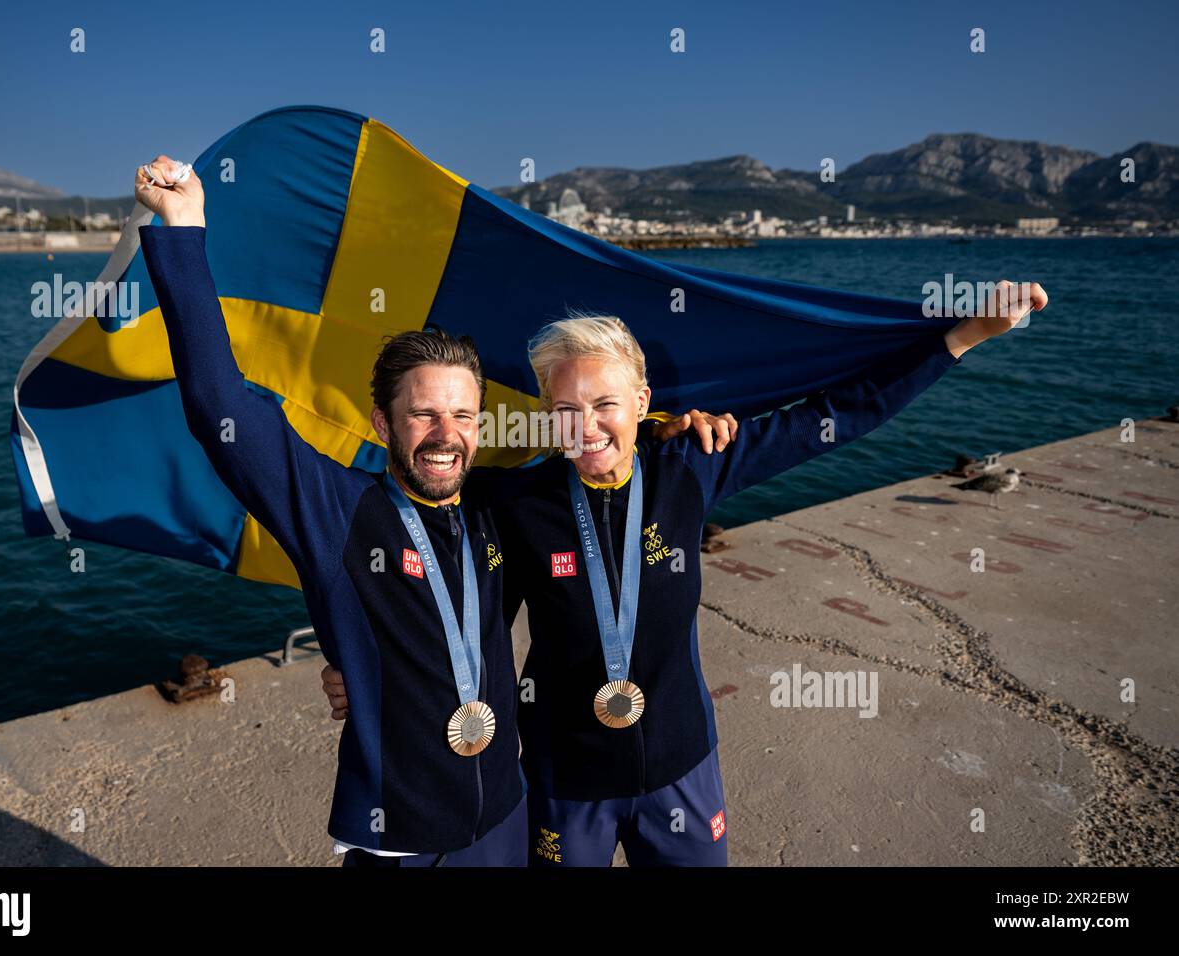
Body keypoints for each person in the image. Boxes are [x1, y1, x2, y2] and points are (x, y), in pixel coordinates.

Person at [132, 155, 731, 866]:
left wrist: (661, 425)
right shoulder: (337, 512)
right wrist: (182, 227)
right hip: (400, 839)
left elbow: (588, 445)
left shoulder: (497, 506)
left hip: (507, 821)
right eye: (422, 415)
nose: (446, 435)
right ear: (383, 424)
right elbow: (219, 406)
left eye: (464, 416)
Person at [324, 301, 1048, 867]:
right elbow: (437, 584)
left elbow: (833, 418)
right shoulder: (514, 504)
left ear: (642, 401)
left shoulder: (691, 469)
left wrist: (959, 338)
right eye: (567, 411)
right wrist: (359, 665)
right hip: (563, 781)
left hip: (681, 766)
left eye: (606, 404)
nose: (588, 427)